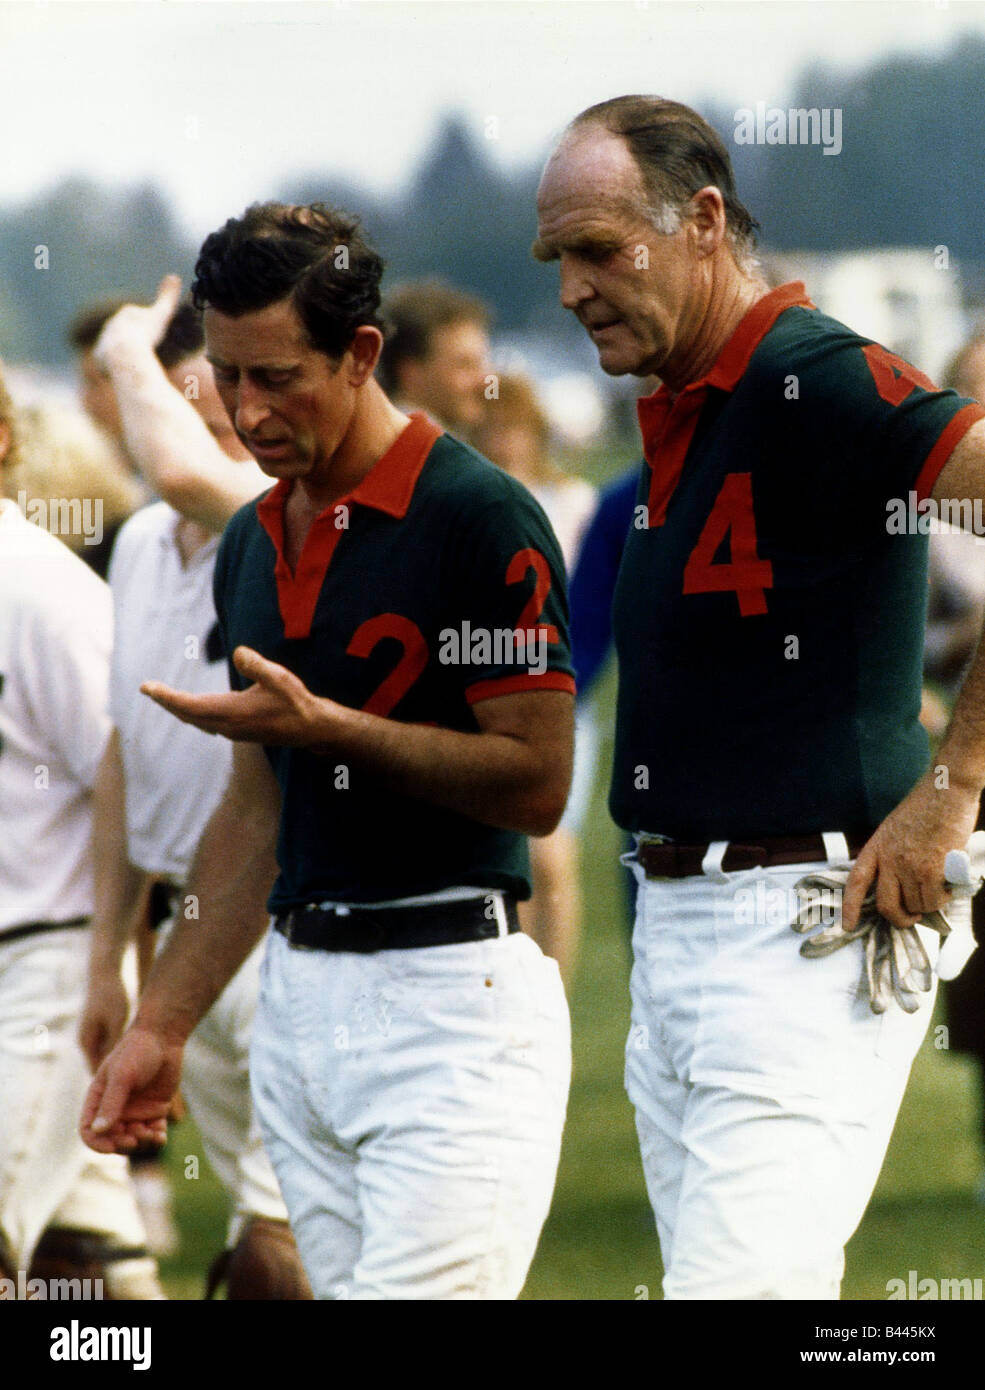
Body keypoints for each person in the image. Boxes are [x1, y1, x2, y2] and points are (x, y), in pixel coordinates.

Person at [533, 94, 985, 1299]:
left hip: (801, 918)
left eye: (597, 248)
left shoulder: (809, 369)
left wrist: (953, 792)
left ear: (702, 220)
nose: (571, 287)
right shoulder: (692, 404)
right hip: (683, 931)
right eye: (556, 258)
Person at [81, 201, 574, 1301]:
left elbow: (538, 785)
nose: (248, 410)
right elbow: (256, 809)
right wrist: (159, 1023)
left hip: (452, 1002)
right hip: (298, 1006)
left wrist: (334, 732)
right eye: (227, 375)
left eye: (278, 375)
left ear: (360, 354)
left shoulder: (479, 515)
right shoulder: (253, 536)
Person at [77, 282, 310, 1298]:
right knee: (273, 1235)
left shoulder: (271, 513)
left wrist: (124, 345)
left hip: (281, 918)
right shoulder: (134, 543)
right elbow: (126, 750)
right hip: (187, 930)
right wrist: (107, 962)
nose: (222, 405)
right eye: (203, 381)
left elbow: (178, 469)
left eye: (228, 382)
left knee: (278, 1236)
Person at [0, 367, 163, 1299]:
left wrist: (112, 966)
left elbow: (127, 771)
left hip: (46, 970)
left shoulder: (41, 591)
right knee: (94, 1274)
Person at [473, 372, 597, 982]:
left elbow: (591, 604)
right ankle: (521, 987)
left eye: (514, 429)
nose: (503, 442)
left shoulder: (572, 501)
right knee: (516, 858)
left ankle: (555, 993)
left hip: (568, 691)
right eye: (492, 429)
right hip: (498, 691)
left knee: (552, 859)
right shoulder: (472, 504)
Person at [377, 278, 491, 436]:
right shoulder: (421, 452)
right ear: (411, 372)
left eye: (480, 363)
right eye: (464, 365)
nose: (484, 380)